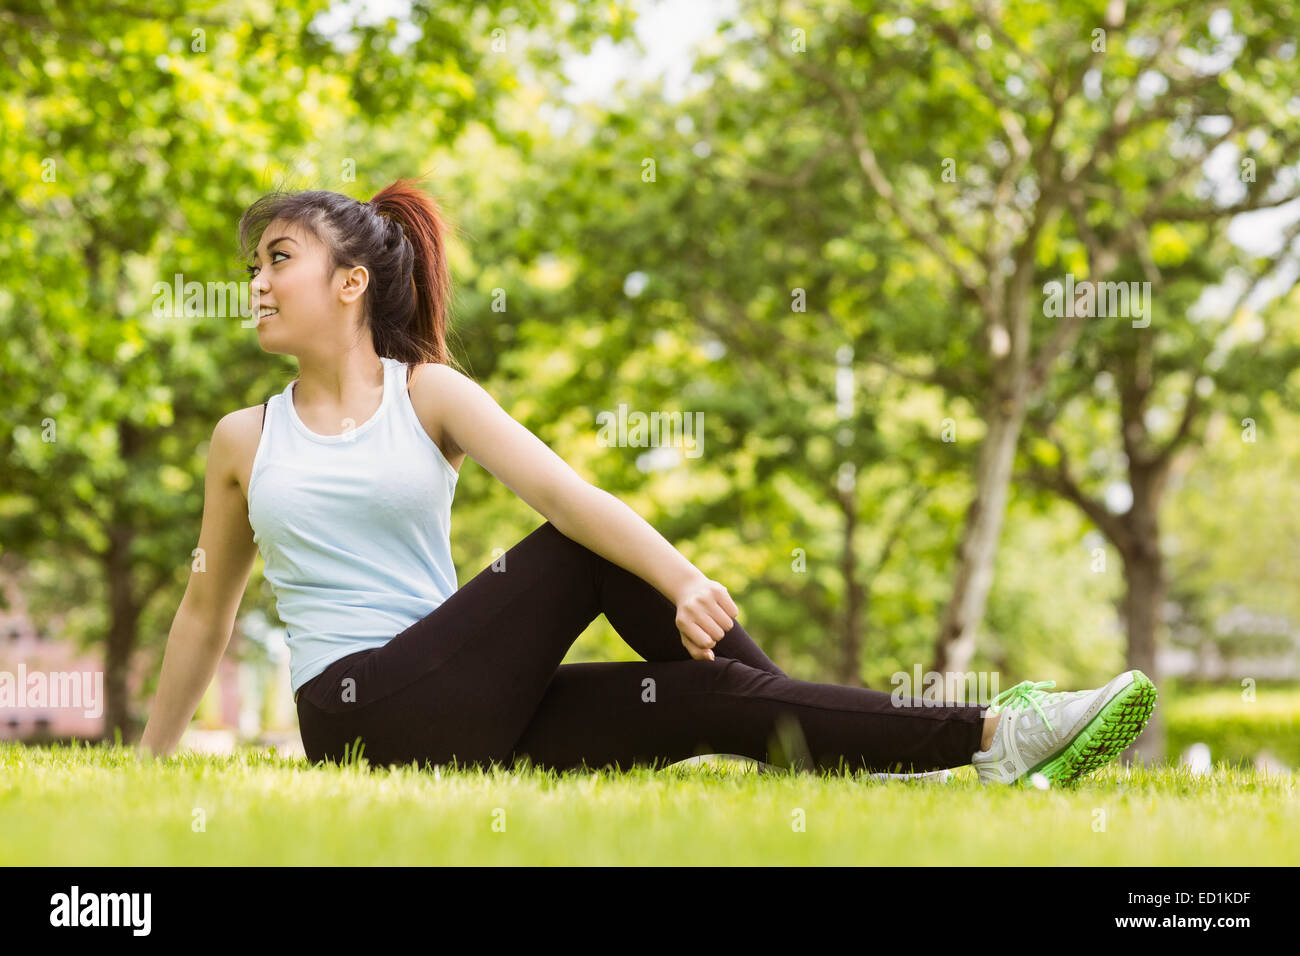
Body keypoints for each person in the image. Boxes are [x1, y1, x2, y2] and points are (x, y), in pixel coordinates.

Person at [137, 178, 1157, 785]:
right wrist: (150, 766)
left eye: (279, 258)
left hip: (463, 709)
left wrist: (677, 583)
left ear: (351, 283)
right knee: (586, 553)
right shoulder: (243, 437)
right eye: (257, 265)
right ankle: (992, 732)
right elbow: (202, 614)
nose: (259, 282)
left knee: (704, 696)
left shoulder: (430, 395)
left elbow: (567, 487)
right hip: (356, 716)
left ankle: (958, 748)